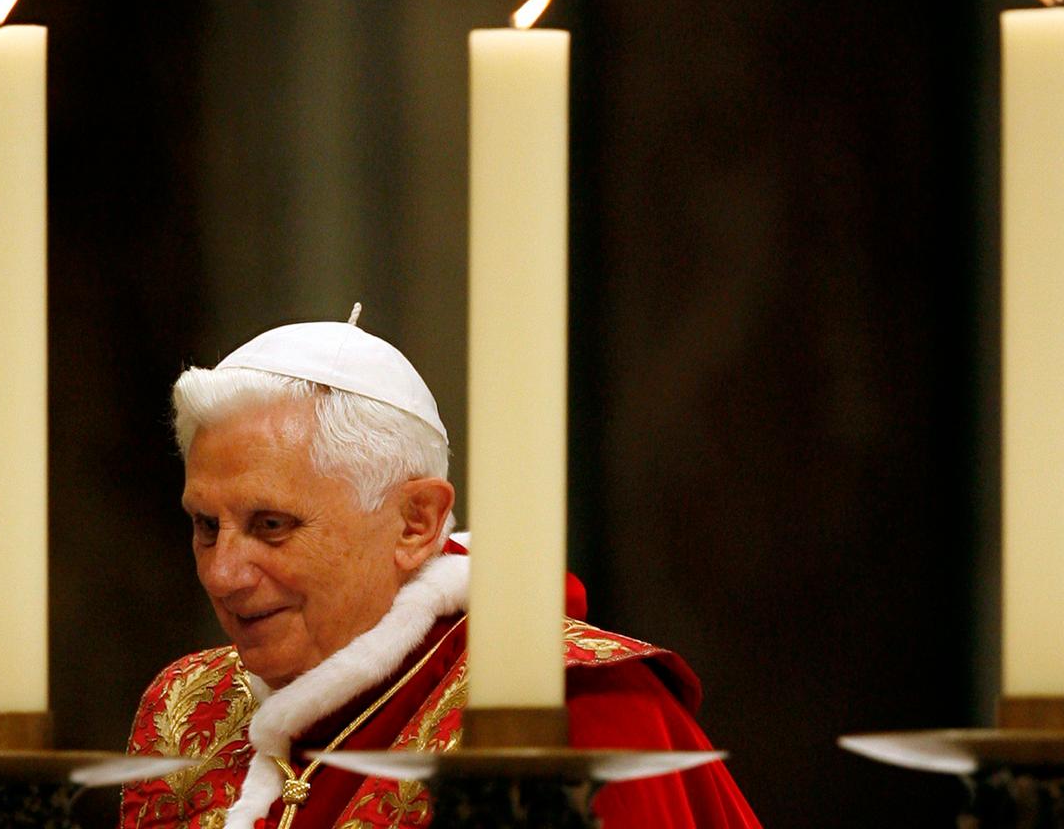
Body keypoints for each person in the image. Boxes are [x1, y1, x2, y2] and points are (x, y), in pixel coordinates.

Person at [120, 316, 760, 829]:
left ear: (415, 522)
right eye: (206, 526)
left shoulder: (572, 709)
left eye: (272, 526)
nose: (224, 574)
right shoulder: (187, 704)